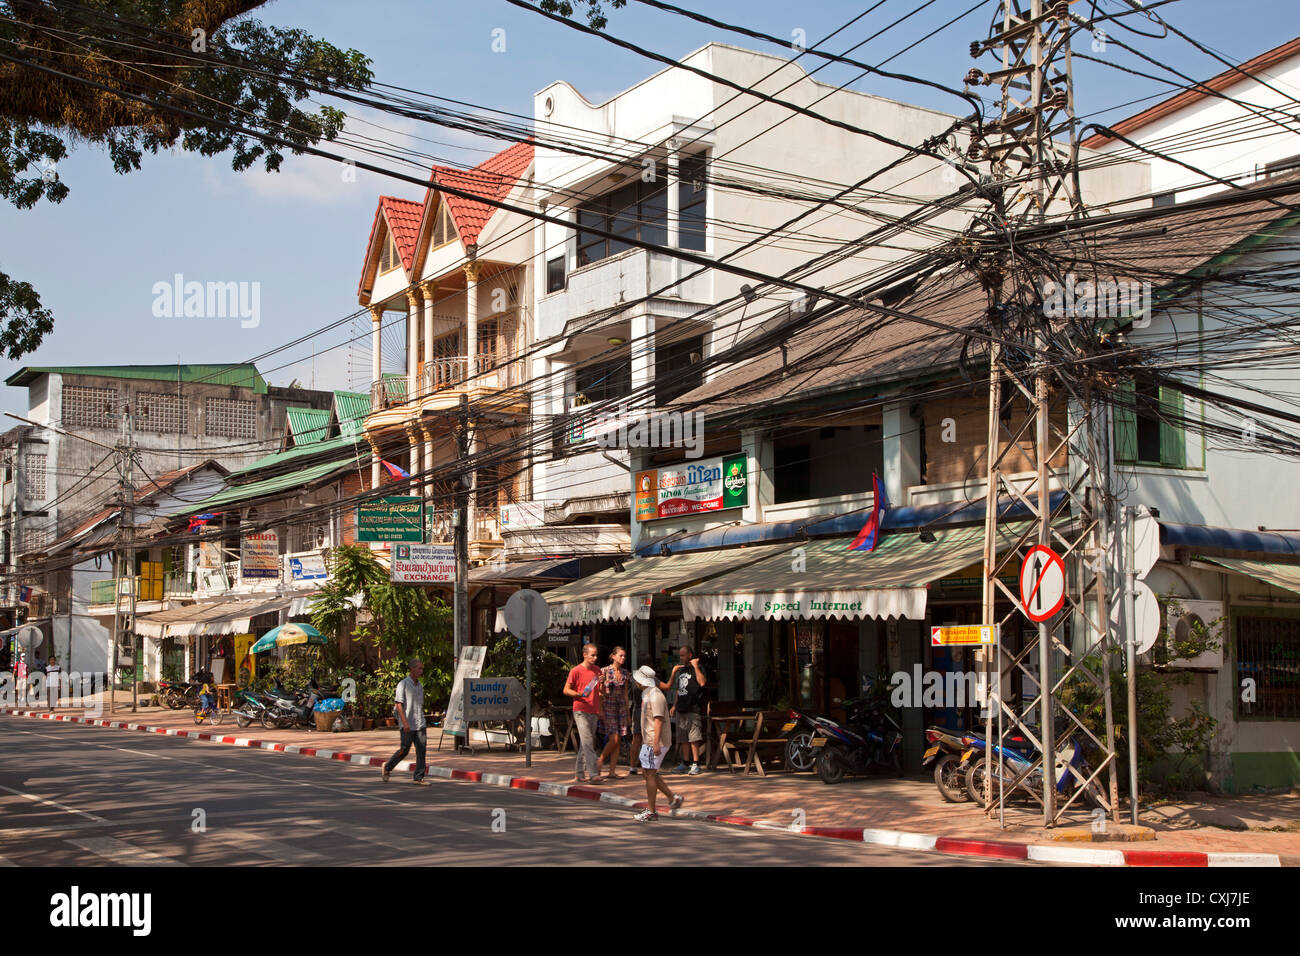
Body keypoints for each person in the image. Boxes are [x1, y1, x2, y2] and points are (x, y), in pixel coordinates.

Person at [632, 665, 683, 822]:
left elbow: (658, 720)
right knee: (648, 773)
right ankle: (672, 798)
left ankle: (652, 811)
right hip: (650, 739)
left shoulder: (655, 696)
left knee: (650, 774)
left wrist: (655, 744)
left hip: (655, 740)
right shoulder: (647, 694)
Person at [564, 643, 605, 783]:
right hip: (580, 709)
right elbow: (566, 690)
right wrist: (578, 693)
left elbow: (601, 692)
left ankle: (579, 773)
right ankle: (593, 774)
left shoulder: (597, 671)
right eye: (592, 655)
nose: (595, 657)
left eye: (596, 655)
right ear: (585, 654)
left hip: (593, 710)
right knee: (588, 741)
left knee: (585, 742)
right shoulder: (575, 671)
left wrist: (603, 683)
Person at [381, 659, 427, 784]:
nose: (421, 671)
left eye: (422, 669)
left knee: (421, 750)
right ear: (412, 669)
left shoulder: (420, 686)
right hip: (408, 724)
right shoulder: (403, 684)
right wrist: (405, 722)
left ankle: (419, 777)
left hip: (420, 723)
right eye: (419, 668)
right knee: (404, 750)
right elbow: (399, 704)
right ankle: (388, 766)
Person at [664, 645, 707, 774]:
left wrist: (696, 667)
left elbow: (702, 683)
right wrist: (674, 705)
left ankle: (696, 763)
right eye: (680, 655)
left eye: (683, 655)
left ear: (689, 655)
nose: (681, 658)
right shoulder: (681, 670)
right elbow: (679, 689)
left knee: (694, 737)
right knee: (683, 737)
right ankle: (685, 762)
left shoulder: (698, 668)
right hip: (681, 707)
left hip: (693, 707)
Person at [595, 647, 631, 779]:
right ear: (613, 656)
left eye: (624, 656)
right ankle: (600, 760)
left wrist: (627, 713)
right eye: (620, 656)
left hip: (620, 707)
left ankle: (612, 771)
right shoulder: (604, 671)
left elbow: (626, 694)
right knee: (614, 738)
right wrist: (600, 709)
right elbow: (600, 692)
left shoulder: (625, 673)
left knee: (618, 739)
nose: (623, 658)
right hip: (608, 706)